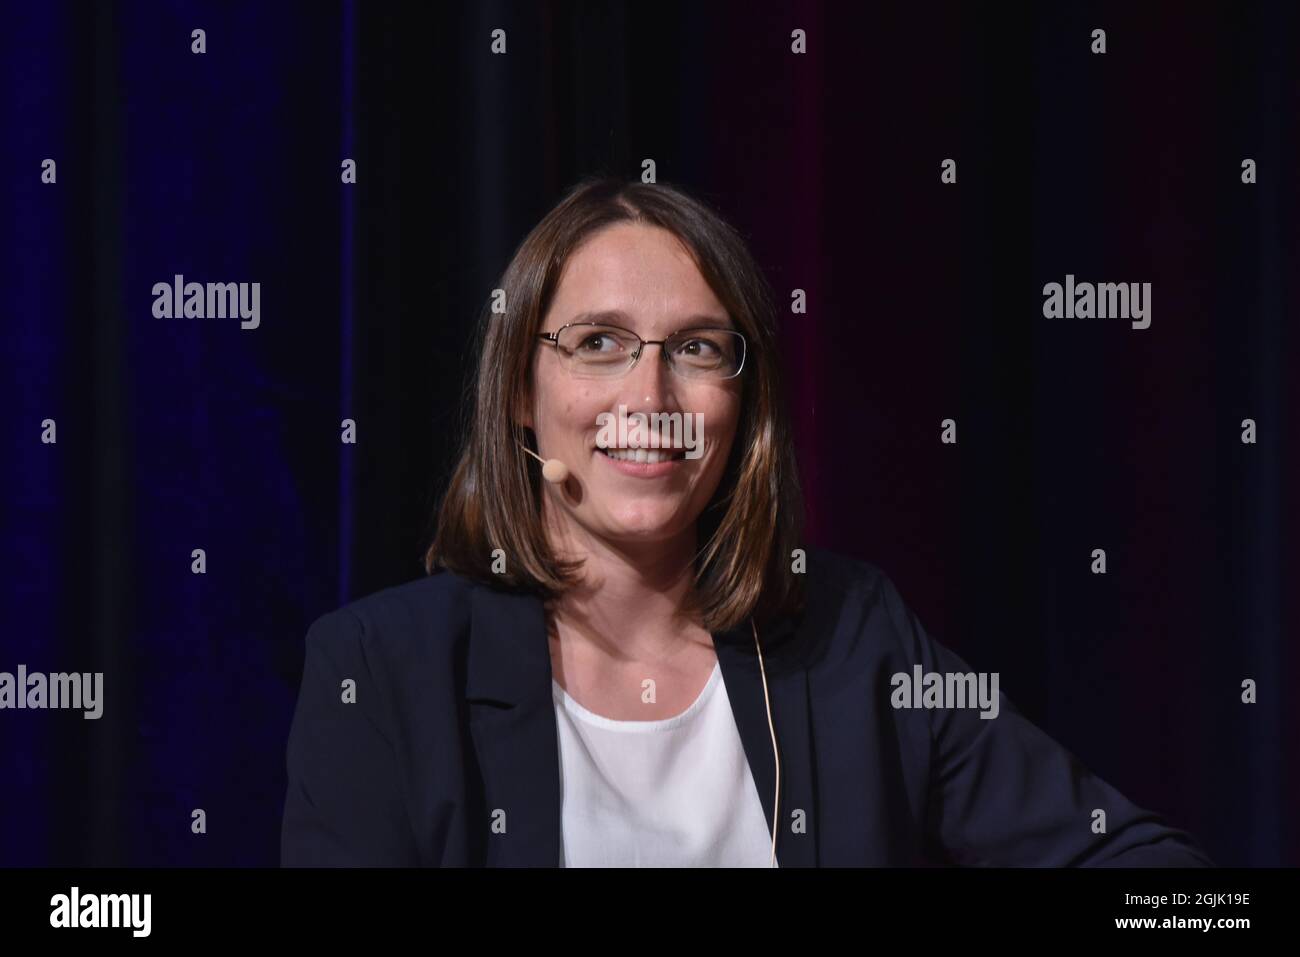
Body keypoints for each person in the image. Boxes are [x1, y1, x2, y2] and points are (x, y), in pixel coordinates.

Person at [281, 177, 1212, 867]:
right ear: (522, 391)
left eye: (695, 348)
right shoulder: (381, 670)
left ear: (743, 398)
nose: (650, 395)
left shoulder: (856, 637)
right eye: (598, 343)